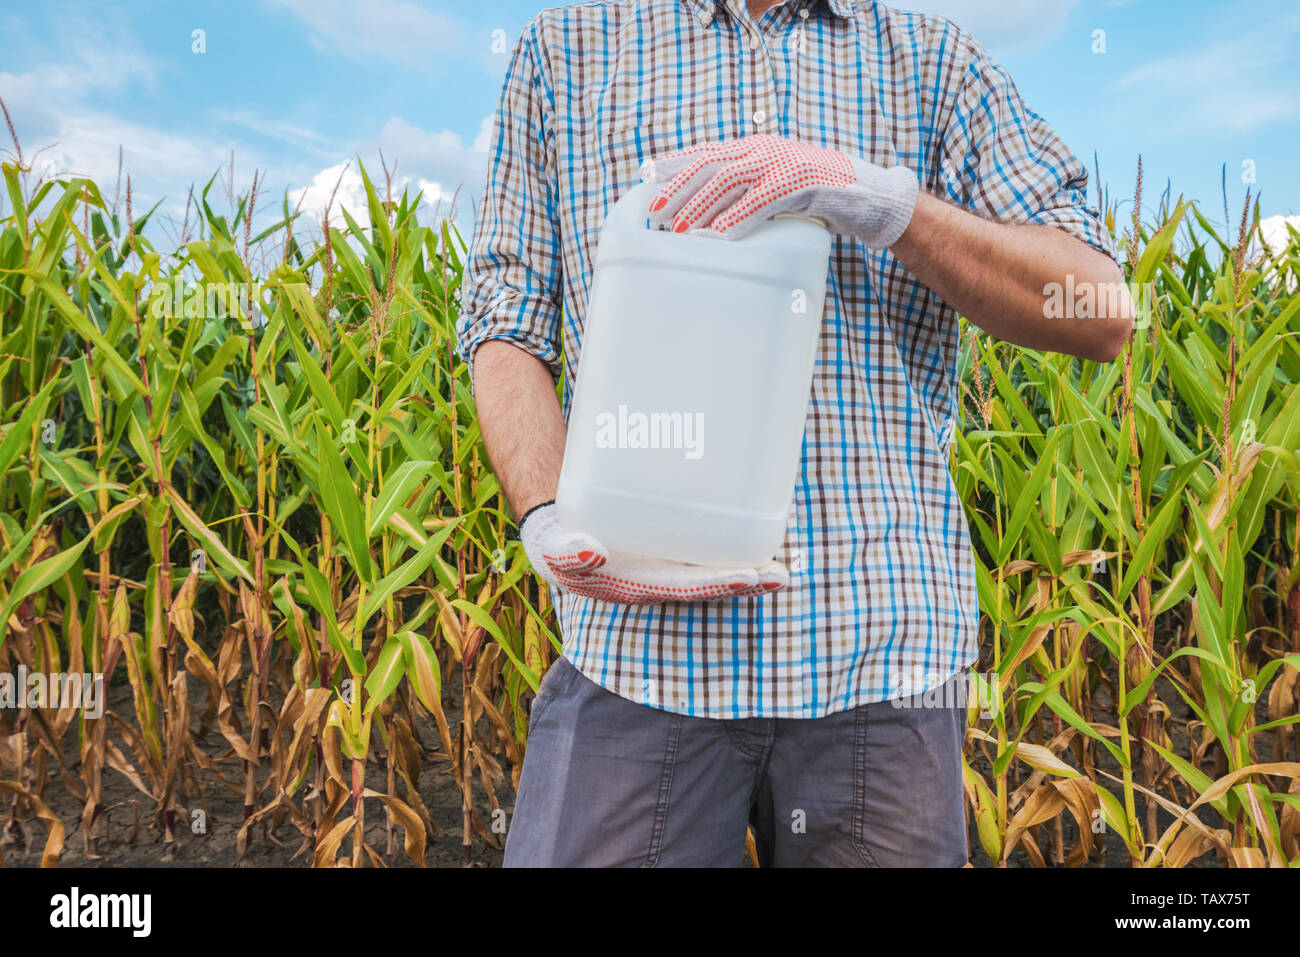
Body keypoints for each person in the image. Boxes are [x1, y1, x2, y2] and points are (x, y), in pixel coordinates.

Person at [457, 0, 1133, 867]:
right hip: (634, 653)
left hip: (879, 660)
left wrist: (880, 202)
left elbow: (1100, 305)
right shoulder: (568, 48)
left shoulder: (933, 61)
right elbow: (506, 318)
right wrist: (546, 513)